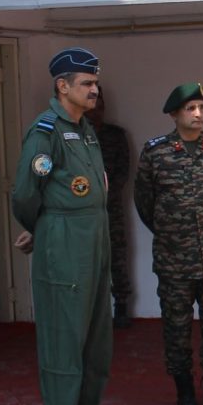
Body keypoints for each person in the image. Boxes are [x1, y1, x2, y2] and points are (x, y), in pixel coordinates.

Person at [11, 47, 123, 405]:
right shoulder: (46, 132)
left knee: (96, 336)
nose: (95, 89)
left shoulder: (86, 129)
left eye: (95, 82)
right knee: (64, 337)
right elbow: (25, 193)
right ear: (62, 86)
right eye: (87, 84)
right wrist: (40, 227)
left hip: (93, 237)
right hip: (63, 240)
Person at [134, 82, 203, 405]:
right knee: (176, 330)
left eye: (201, 108)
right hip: (174, 261)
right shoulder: (156, 153)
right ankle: (185, 396)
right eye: (190, 109)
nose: (198, 114)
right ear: (175, 114)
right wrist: (171, 233)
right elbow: (144, 203)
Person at [89, 91, 134, 329]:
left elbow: (123, 172)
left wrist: (107, 193)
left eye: (101, 106)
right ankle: (92, 308)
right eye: (93, 106)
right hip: (83, 210)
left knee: (117, 255)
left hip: (111, 206)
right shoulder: (74, 136)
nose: (97, 110)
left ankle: (121, 304)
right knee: (87, 257)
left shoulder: (116, 136)